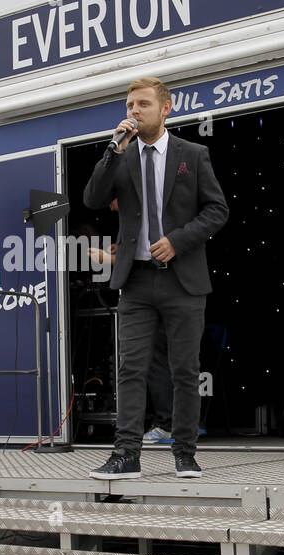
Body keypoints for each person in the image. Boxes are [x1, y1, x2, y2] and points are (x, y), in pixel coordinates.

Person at [83, 77, 228, 479]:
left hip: (182, 279)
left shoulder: (193, 154)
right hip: (137, 281)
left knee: (184, 369)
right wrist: (113, 151)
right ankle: (126, 454)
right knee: (131, 368)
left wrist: (178, 241)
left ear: (165, 108)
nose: (134, 111)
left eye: (143, 104)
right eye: (130, 104)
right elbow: (93, 199)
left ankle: (185, 452)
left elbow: (217, 211)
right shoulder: (122, 155)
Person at [86, 201, 174, 444]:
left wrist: (109, 259)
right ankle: (175, 422)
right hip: (154, 298)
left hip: (152, 300)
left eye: (113, 200)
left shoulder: (146, 217)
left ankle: (167, 425)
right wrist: (119, 252)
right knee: (159, 362)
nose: (112, 208)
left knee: (156, 362)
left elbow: (147, 261)